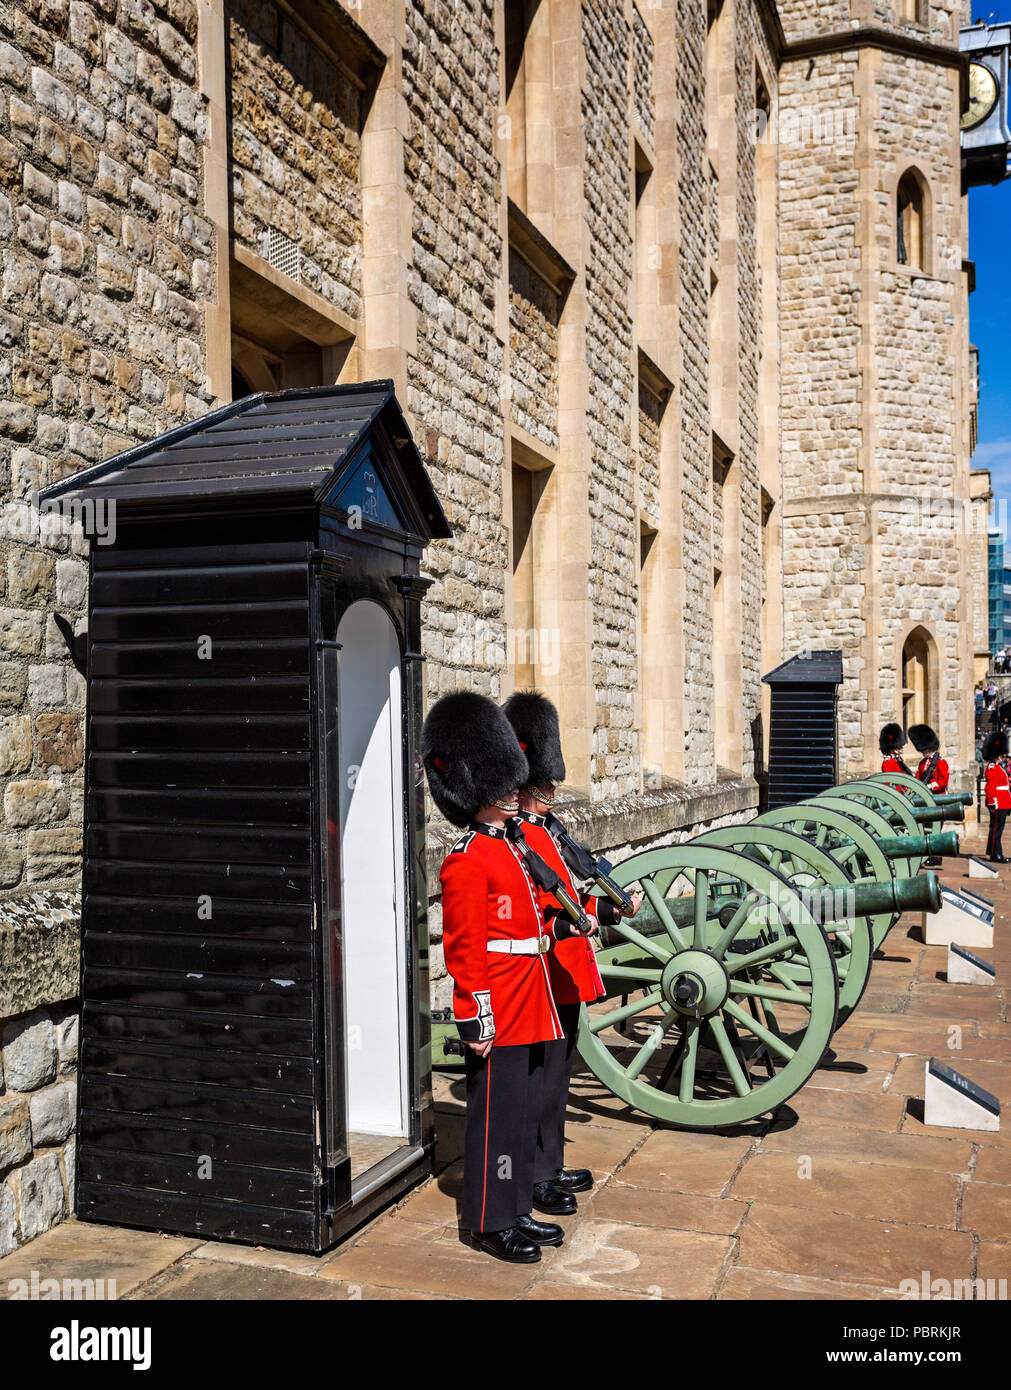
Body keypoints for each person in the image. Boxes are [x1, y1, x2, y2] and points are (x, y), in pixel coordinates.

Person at [422, 690, 568, 1264]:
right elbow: (464, 950)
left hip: (531, 994)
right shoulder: (466, 860)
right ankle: (487, 1220)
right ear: (474, 786)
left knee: (523, 1109)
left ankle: (516, 1209)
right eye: (504, 782)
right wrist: (475, 1014)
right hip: (499, 1002)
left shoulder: (510, 847)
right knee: (494, 1118)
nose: (516, 788)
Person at [501, 690, 642, 1219]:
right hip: (547, 969)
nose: (552, 788)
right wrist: (582, 917)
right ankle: (535, 1175)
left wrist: (609, 911)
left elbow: (572, 893)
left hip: (566, 966)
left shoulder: (548, 832)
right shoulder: (522, 836)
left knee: (558, 1073)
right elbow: (544, 906)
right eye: (545, 781)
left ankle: (550, 1163)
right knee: (541, 1075)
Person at [908, 724, 949, 866]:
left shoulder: (940, 762)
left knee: (935, 829)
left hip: (937, 800)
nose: (922, 752)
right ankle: (927, 855)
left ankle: (936, 857)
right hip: (926, 800)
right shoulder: (923, 763)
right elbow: (918, 778)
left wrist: (930, 786)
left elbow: (943, 781)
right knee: (927, 829)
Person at [982, 730, 1011, 864]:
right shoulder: (993, 767)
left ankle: (992, 852)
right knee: (996, 830)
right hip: (998, 802)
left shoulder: (998, 767)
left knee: (997, 829)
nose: (1002, 757)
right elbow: (990, 787)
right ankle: (996, 854)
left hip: (1003, 801)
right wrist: (993, 803)